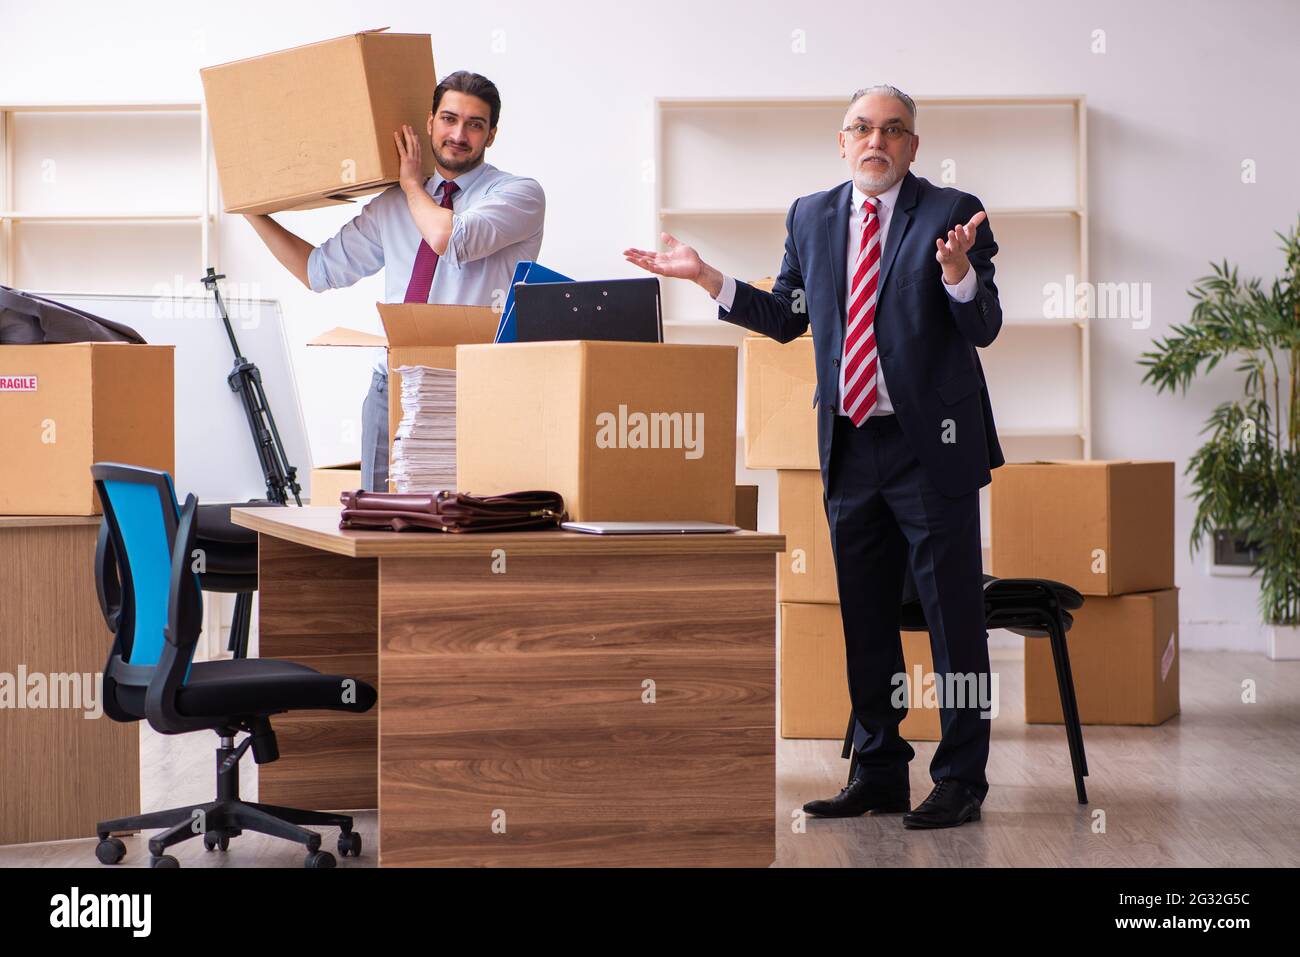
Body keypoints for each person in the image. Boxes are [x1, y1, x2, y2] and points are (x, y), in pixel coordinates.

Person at [624, 85, 1003, 830]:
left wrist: (958, 271)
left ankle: (960, 777)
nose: (878, 141)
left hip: (933, 448)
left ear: (913, 147)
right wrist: (708, 277)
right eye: (863, 127)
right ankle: (879, 769)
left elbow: (983, 323)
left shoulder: (952, 210)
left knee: (953, 617)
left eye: (894, 130)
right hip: (852, 442)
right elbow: (788, 317)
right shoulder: (811, 214)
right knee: (863, 614)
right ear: (842, 140)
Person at [244, 70, 545, 492]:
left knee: (460, 524)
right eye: (449, 119)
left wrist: (409, 184)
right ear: (429, 122)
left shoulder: (518, 195)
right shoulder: (393, 205)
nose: (459, 134)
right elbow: (315, 270)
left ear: (491, 135)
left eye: (474, 124)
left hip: (468, 385)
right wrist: (249, 209)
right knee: (377, 523)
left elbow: (447, 237)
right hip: (391, 385)